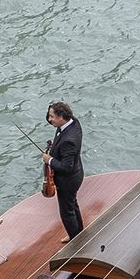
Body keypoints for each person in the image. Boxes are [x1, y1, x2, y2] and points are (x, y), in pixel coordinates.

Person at [45, 101, 84, 238]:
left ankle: (75, 241)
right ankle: (79, 232)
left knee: (67, 212)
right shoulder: (73, 122)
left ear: (62, 117)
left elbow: (67, 167)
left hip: (68, 181)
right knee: (73, 204)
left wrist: (49, 160)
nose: (49, 120)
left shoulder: (69, 140)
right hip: (76, 174)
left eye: (52, 117)